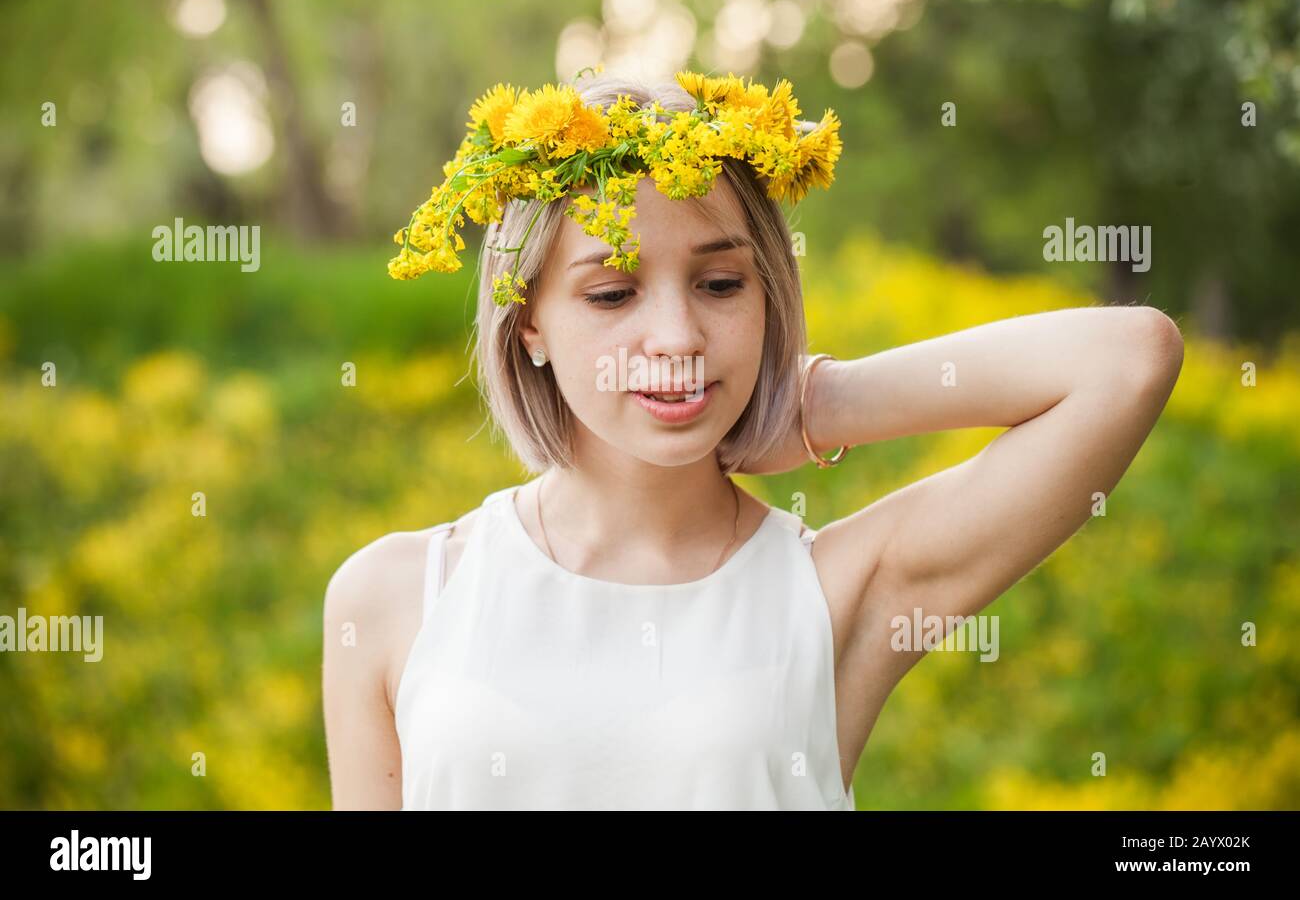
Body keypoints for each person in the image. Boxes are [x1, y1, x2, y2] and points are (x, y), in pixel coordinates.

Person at [322, 71, 1184, 810]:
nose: (677, 336)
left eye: (721, 283)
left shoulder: (835, 593)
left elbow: (1127, 362)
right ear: (529, 326)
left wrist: (810, 403)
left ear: (768, 296)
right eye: (613, 294)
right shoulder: (397, 598)